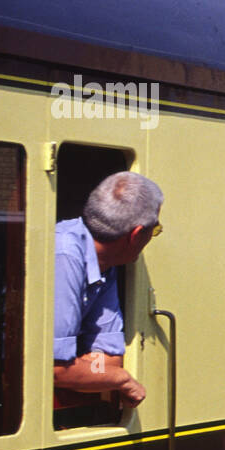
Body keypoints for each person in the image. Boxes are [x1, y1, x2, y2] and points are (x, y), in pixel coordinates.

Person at [49, 171, 163, 407]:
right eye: (155, 229)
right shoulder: (65, 255)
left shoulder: (105, 264)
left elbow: (107, 358)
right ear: (137, 234)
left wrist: (98, 372)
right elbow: (55, 369)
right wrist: (121, 380)